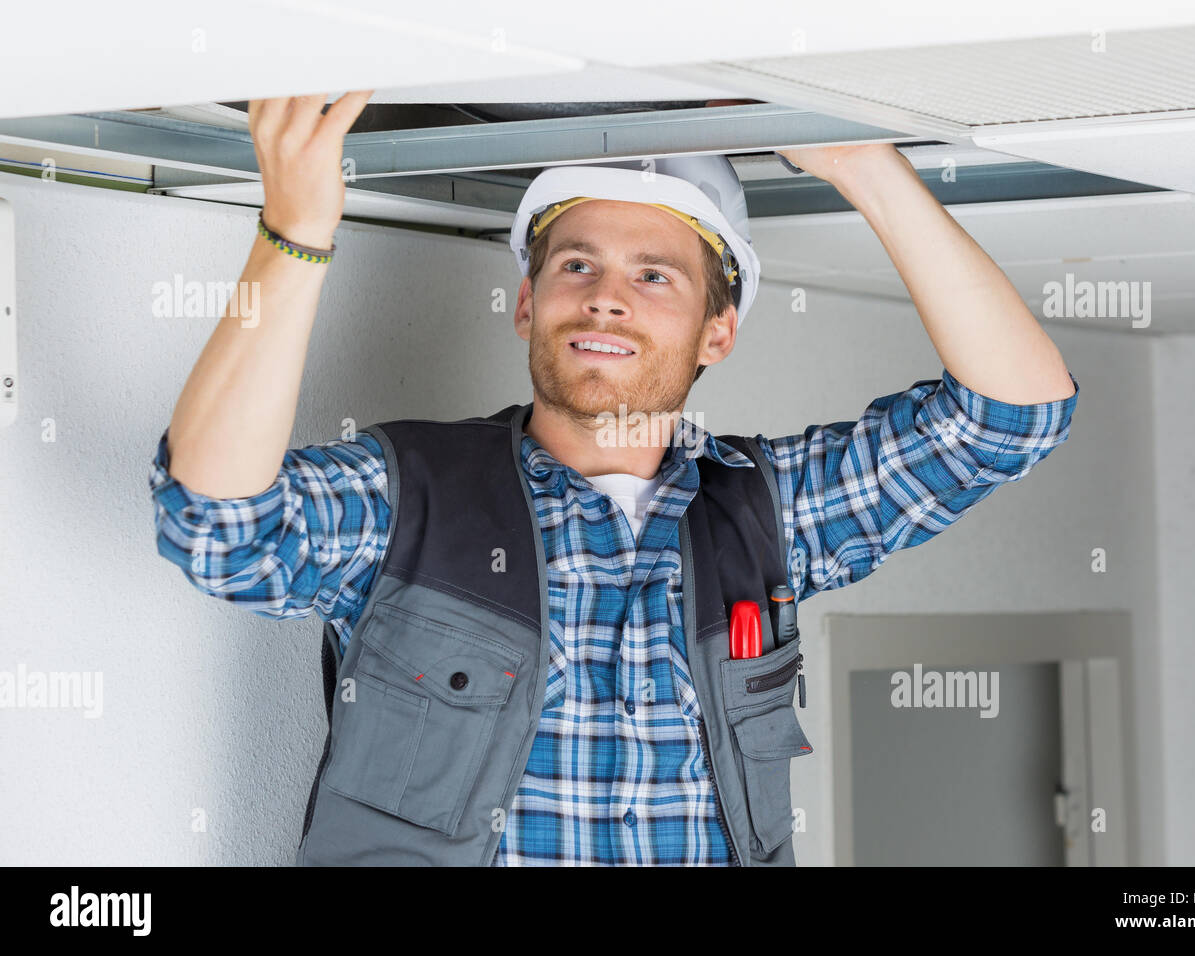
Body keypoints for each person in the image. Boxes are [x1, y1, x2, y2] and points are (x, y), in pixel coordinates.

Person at [150, 90, 1079, 866]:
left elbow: (1013, 415)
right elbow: (217, 526)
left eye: (655, 276)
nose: (605, 294)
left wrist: (863, 163)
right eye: (578, 263)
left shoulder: (766, 516)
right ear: (526, 303)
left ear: (718, 332)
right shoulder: (412, 503)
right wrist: (297, 230)